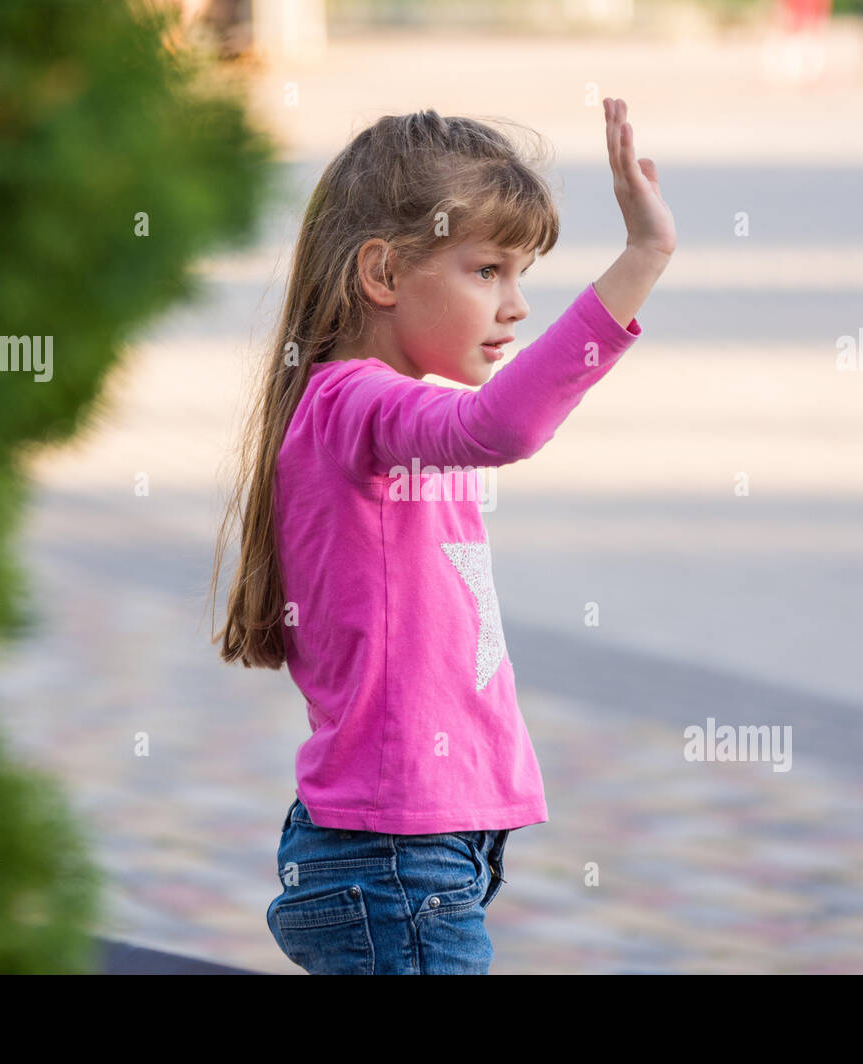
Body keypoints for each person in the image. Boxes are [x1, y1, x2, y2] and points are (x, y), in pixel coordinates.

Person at [209, 98, 675, 974]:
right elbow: (504, 428)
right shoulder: (354, 402)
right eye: (488, 270)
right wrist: (642, 259)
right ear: (382, 272)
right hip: (394, 857)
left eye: (521, 273)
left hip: (423, 848)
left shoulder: (385, 412)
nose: (516, 305)